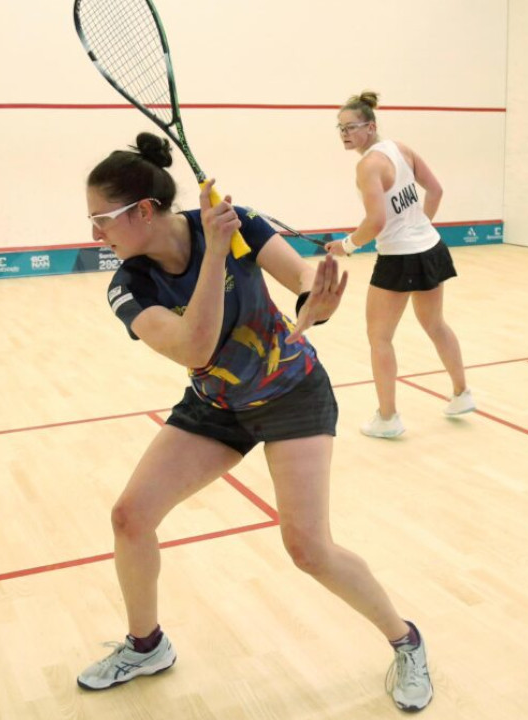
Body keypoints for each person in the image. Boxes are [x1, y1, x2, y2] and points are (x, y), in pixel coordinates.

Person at [77, 132, 434, 712]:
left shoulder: (235, 222)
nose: (96, 233)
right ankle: (146, 646)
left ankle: (406, 639)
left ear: (142, 211)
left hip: (292, 395)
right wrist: (216, 255)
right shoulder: (129, 285)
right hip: (217, 404)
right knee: (130, 518)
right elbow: (194, 348)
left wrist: (317, 305)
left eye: (102, 219)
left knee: (308, 548)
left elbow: (303, 283)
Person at [324, 91, 474, 439]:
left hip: (399, 258)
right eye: (340, 128)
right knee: (435, 324)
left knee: (379, 337)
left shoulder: (368, 166)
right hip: (431, 248)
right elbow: (435, 191)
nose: (344, 133)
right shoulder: (401, 149)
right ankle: (462, 393)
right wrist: (418, 230)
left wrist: (347, 245)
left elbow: (375, 222)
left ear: (370, 126)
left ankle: (388, 418)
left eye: (351, 126)